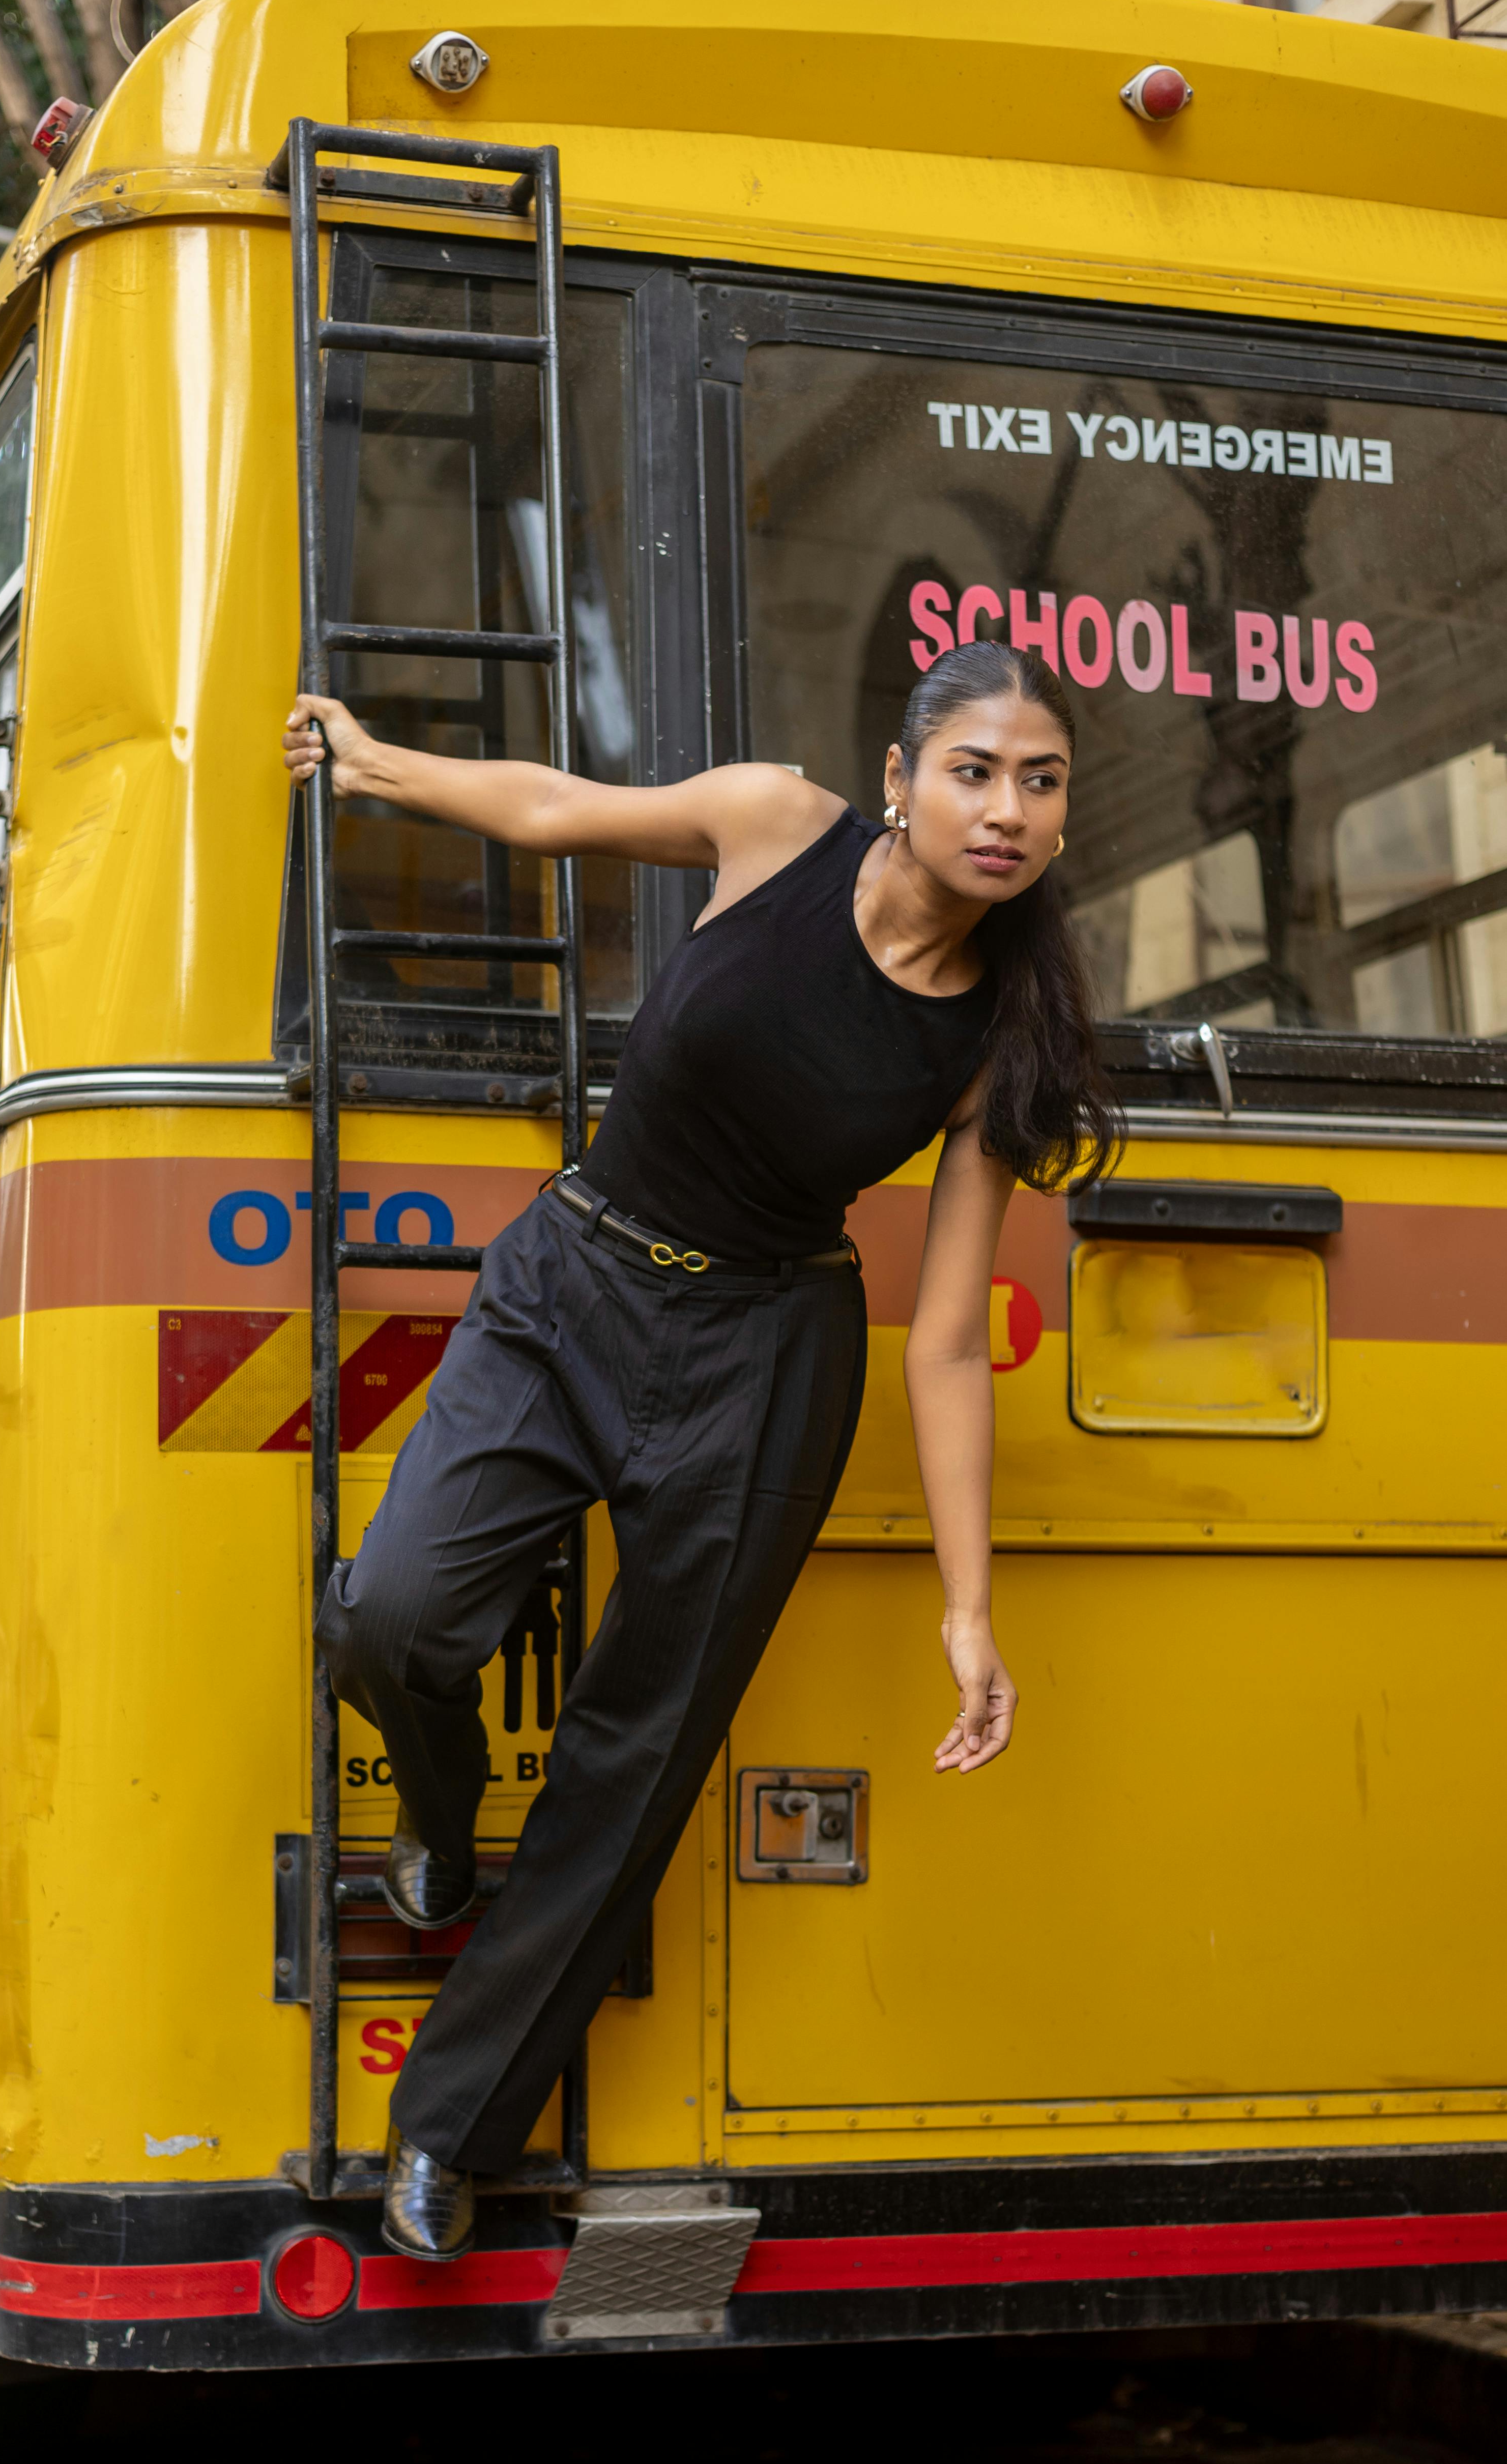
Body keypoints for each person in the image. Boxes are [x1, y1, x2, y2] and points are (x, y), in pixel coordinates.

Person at [282, 639, 1116, 2264]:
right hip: (570, 1279)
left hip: (761, 1359)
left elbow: (945, 1340)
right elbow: (548, 806)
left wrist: (967, 1609)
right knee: (391, 1615)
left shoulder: (1002, 1035)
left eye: (1039, 781)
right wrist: (377, 765)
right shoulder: (773, 824)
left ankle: (449, 2129)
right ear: (897, 780)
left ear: (1061, 819)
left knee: (634, 1759)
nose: (1003, 808)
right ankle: (439, 1817)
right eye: (973, 770)